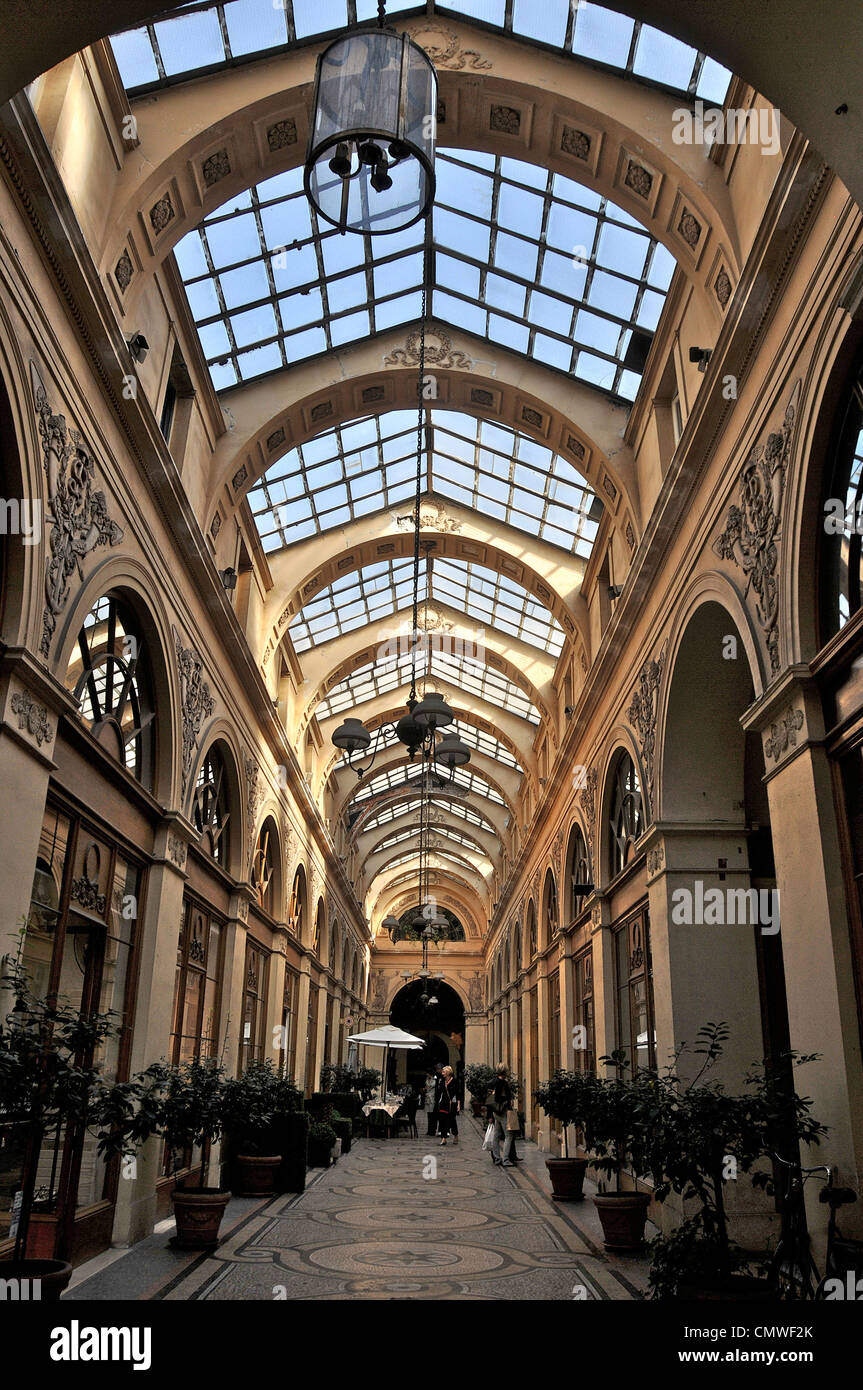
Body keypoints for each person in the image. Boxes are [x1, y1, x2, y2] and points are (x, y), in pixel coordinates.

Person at [490, 1063, 515, 1167]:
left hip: (495, 1111)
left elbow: (490, 1098)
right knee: (508, 1135)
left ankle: (496, 1157)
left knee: (496, 1135)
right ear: (505, 1072)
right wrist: (508, 1101)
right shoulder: (503, 1083)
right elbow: (501, 1098)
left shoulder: (493, 1082)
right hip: (503, 1112)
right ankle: (505, 1159)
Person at [435, 1064, 460, 1145]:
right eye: (442, 1072)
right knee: (442, 1120)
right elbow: (439, 1092)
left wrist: (458, 1105)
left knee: (452, 1120)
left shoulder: (454, 1081)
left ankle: (455, 1134)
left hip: (452, 1103)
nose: (442, 1073)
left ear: (448, 1073)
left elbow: (458, 1094)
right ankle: (444, 1138)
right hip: (443, 1103)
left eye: (444, 1072)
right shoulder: (442, 1081)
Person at [425, 1067, 439, 1136]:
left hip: (433, 1098)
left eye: (427, 1073)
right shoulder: (427, 1079)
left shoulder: (435, 1079)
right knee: (429, 1115)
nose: (426, 1074)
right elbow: (426, 1087)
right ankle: (429, 1130)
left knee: (433, 1115)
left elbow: (434, 1087)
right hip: (428, 1098)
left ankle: (433, 1130)